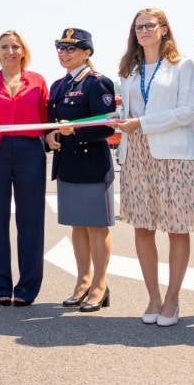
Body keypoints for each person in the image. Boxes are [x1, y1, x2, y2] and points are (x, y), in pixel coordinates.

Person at [115, 9, 194, 327]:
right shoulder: (129, 69)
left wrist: (141, 122)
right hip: (137, 153)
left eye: (149, 25)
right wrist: (118, 121)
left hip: (174, 154)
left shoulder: (182, 66)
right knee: (143, 228)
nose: (143, 31)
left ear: (164, 29)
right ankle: (154, 297)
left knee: (176, 228)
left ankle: (172, 299)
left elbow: (187, 112)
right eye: (138, 27)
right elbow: (128, 110)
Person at [46, 28, 116, 313]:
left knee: (97, 227)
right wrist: (50, 137)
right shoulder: (58, 86)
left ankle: (100, 285)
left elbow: (108, 124)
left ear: (87, 52)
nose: (64, 53)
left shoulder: (98, 83)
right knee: (77, 226)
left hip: (92, 163)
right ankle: (83, 281)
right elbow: (52, 122)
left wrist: (77, 131)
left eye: (71, 49)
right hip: (68, 164)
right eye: (60, 48)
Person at [0, 30, 48, 306]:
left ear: (23, 51)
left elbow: (45, 117)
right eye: (4, 47)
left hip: (30, 152)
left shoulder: (38, 81)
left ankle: (28, 288)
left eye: (15, 46)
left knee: (30, 219)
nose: (10, 51)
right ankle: (0, 286)